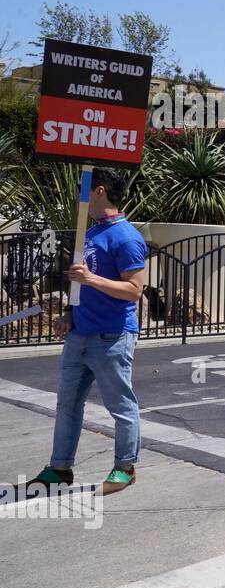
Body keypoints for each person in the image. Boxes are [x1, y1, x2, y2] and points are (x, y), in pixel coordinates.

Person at [25, 167, 148, 497]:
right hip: (79, 335)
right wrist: (68, 313)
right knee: (66, 405)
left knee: (121, 407)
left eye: (84, 190)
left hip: (111, 336)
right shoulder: (90, 233)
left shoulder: (126, 237)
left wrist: (91, 279)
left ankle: (125, 468)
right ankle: (59, 468)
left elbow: (134, 290)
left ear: (100, 191)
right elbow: (81, 285)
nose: (79, 196)